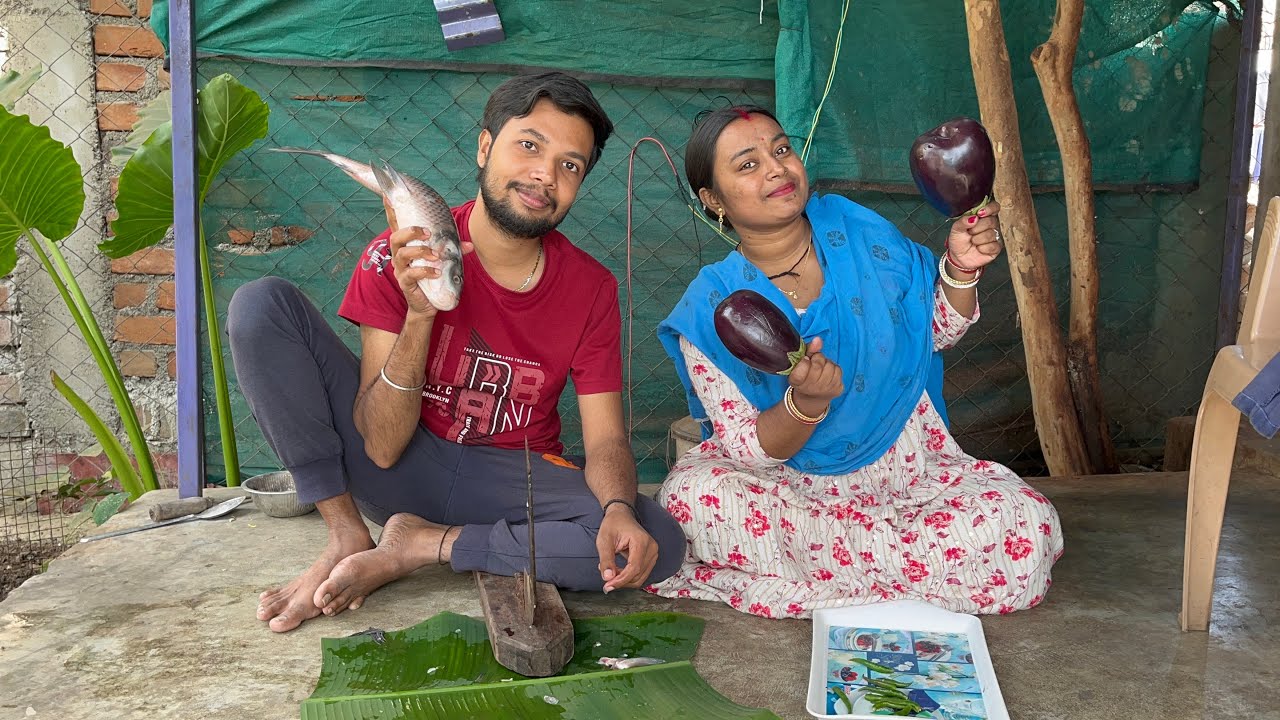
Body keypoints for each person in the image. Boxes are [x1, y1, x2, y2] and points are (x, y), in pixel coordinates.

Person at [227, 71, 684, 633]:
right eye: (530, 145)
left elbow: (606, 438)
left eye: (571, 165)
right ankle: (346, 531)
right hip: (402, 465)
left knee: (654, 541)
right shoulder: (394, 259)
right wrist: (421, 313)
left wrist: (617, 510)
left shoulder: (591, 287)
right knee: (260, 305)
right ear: (485, 146)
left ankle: (420, 545)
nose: (545, 174)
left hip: (510, 481)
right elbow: (384, 444)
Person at [644, 106, 1063, 618]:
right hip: (791, 485)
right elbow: (748, 451)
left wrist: (959, 267)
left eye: (781, 150)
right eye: (748, 165)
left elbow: (933, 331)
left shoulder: (855, 230)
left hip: (909, 475)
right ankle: (909, 578)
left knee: (1018, 521)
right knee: (692, 498)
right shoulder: (711, 304)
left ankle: (818, 580)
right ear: (713, 200)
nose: (777, 168)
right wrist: (805, 405)